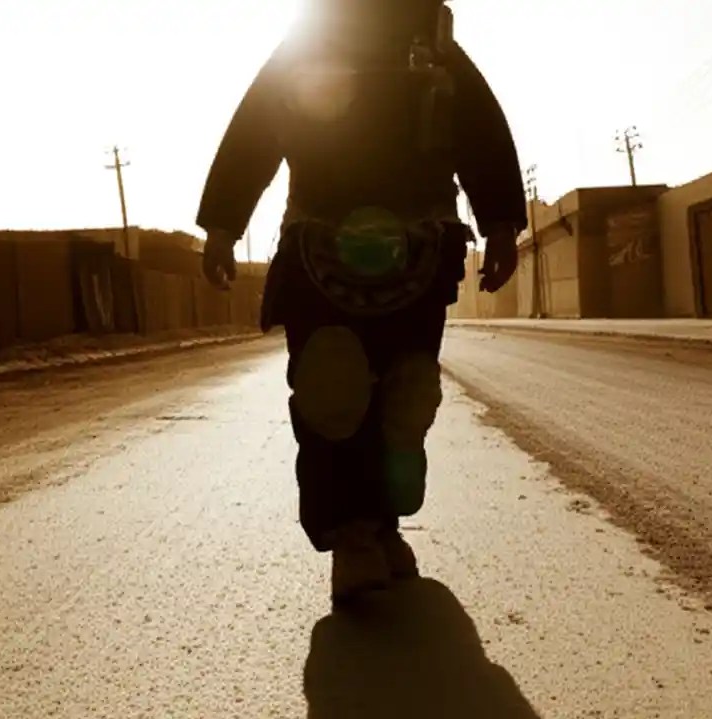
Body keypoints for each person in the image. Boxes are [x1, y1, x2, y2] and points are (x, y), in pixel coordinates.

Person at [197, 0, 526, 608]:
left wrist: (502, 221)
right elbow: (255, 129)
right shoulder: (309, 35)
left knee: (405, 392)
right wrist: (221, 223)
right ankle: (351, 537)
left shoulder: (431, 34)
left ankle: (384, 525)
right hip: (318, 244)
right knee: (332, 386)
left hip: (418, 248)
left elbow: (479, 128)